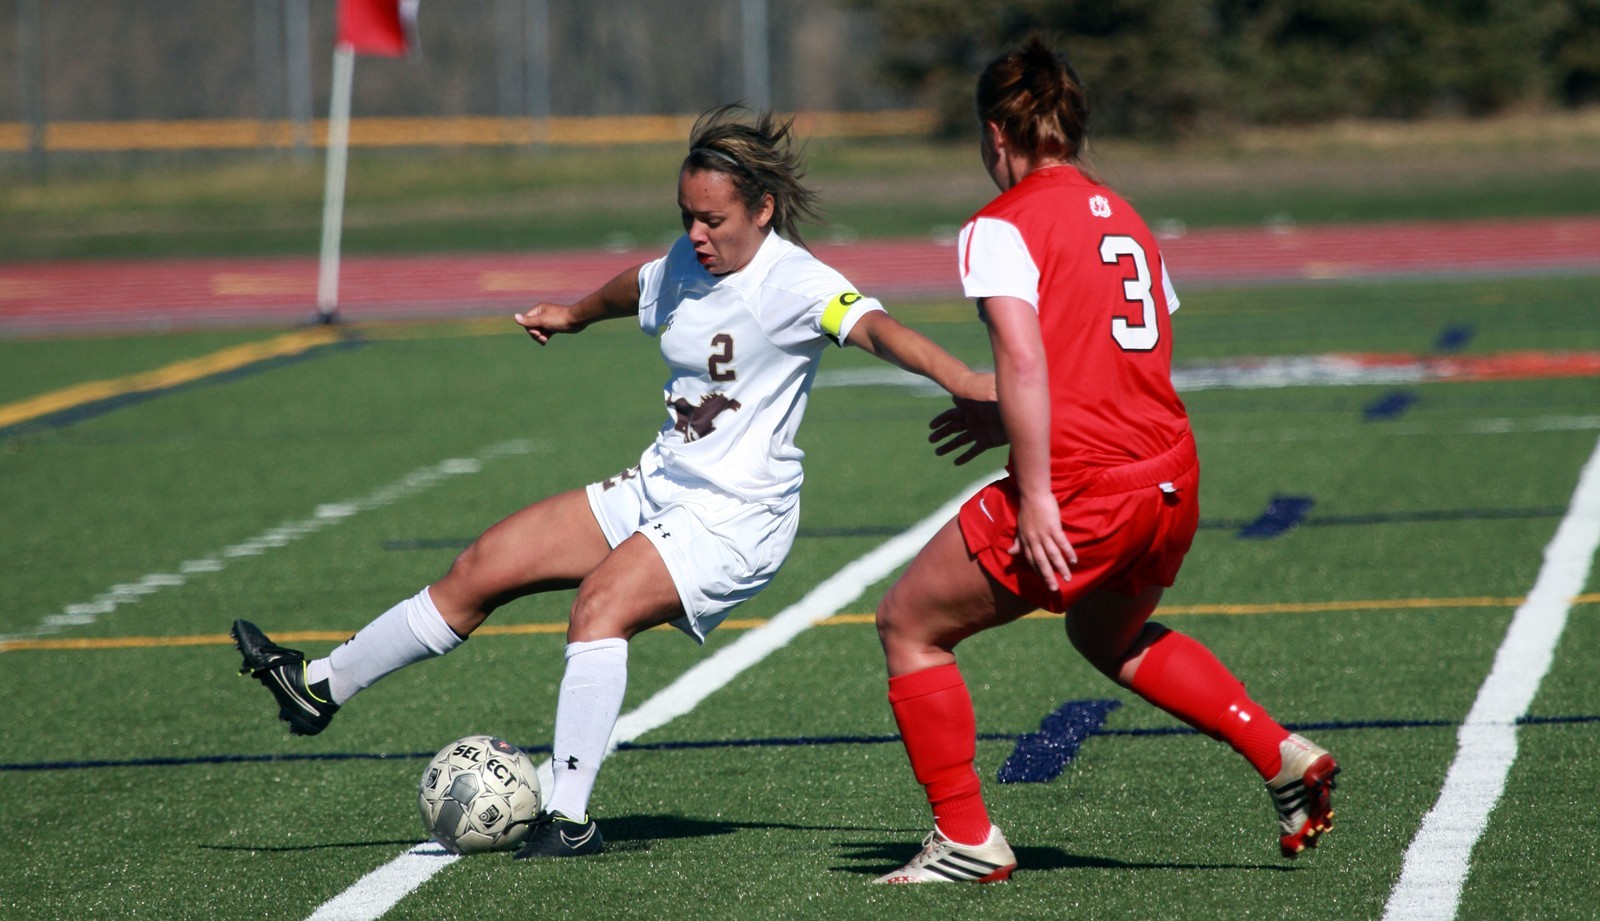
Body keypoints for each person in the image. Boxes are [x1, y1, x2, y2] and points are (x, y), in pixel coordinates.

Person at [231, 104, 992, 860]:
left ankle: (567, 817)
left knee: (600, 608)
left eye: (714, 219)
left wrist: (962, 378)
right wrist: (572, 313)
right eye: (687, 215)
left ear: (763, 209)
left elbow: (878, 329)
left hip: (734, 517)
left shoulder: (793, 281)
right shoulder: (688, 260)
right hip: (660, 484)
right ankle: (320, 684)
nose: (697, 234)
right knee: (480, 568)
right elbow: (639, 283)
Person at [870, 38, 1339, 884]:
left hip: (1085, 485)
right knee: (1106, 629)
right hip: (1169, 471)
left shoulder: (999, 226)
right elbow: (1115, 354)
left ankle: (967, 839)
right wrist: (1010, 425)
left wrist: (1038, 489)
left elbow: (1022, 357)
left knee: (909, 624)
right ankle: (1281, 753)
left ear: (996, 135)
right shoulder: (1125, 215)